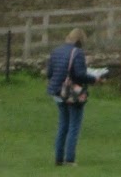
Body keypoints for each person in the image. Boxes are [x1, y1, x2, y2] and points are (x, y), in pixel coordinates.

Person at [45, 28, 100, 167]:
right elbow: (80, 74)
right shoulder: (78, 52)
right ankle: (69, 158)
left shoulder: (56, 51)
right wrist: (94, 79)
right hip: (72, 93)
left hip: (57, 92)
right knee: (74, 125)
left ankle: (58, 158)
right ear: (79, 41)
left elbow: (49, 73)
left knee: (63, 124)